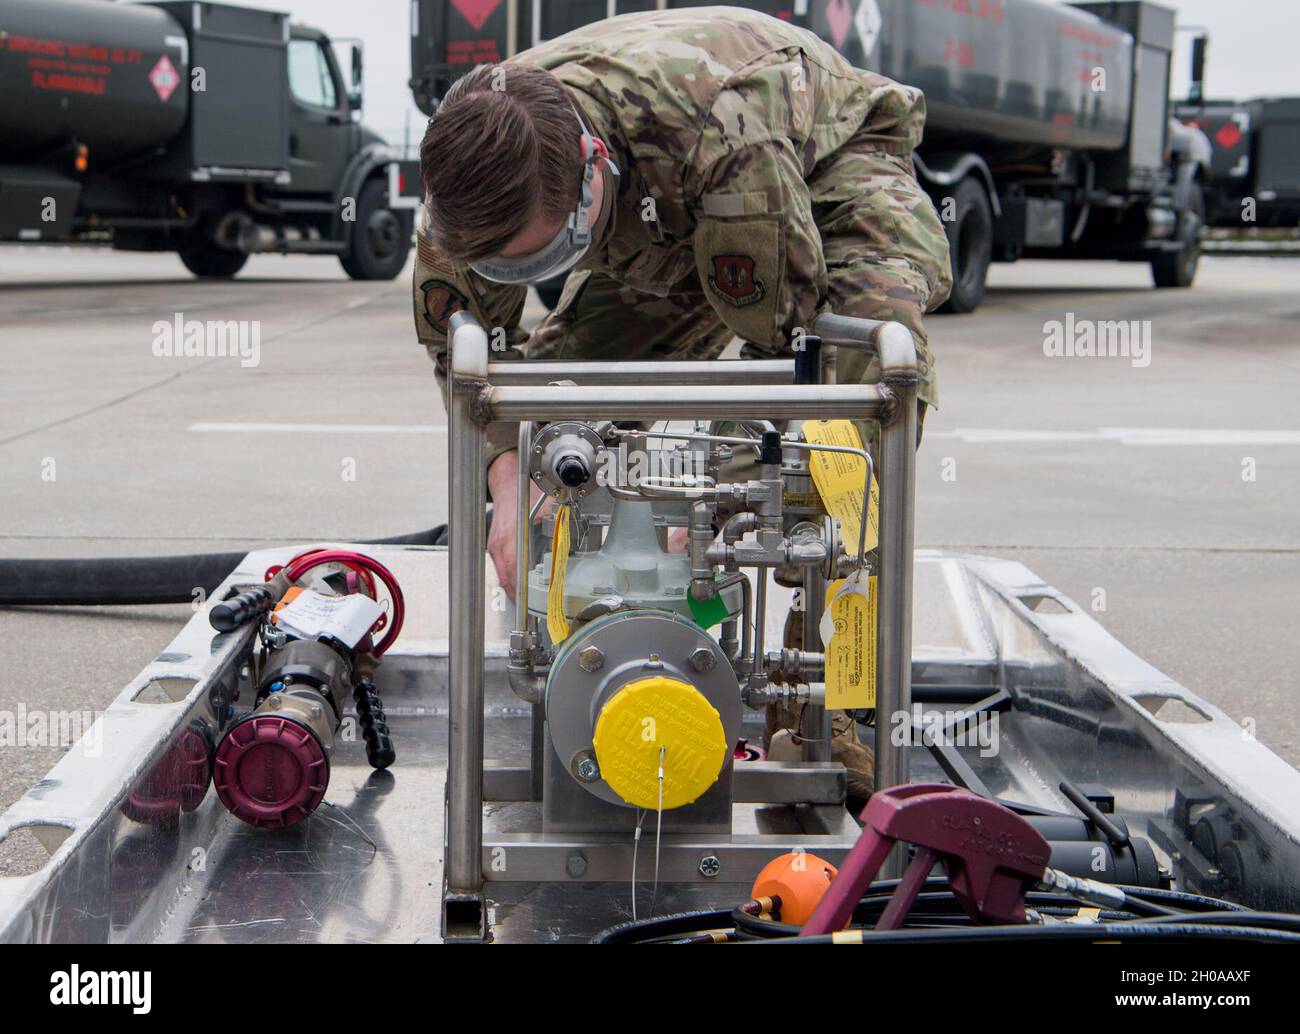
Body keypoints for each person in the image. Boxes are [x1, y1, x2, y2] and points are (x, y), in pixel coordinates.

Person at [413, 7, 950, 601]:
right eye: (510, 270)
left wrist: (713, 510)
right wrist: (509, 478)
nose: (532, 277)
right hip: (661, 196)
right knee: (555, 422)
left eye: (549, 257)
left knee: (855, 391)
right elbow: (461, 352)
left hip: (828, 155)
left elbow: (791, 349)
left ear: (593, 166)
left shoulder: (728, 144)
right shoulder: (465, 174)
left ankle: (837, 638)